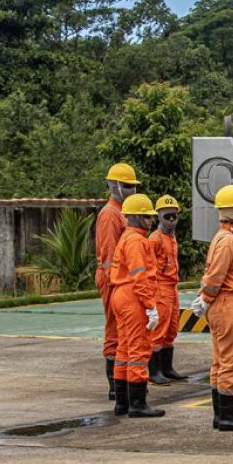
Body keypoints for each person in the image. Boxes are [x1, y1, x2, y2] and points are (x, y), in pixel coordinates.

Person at [190, 184, 233, 431]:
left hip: (227, 304)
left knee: (221, 361)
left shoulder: (227, 238)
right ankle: (228, 417)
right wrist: (206, 297)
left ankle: (221, 416)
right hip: (230, 305)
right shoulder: (228, 241)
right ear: (232, 212)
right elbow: (216, 275)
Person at [109, 193, 164, 418]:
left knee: (124, 349)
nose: (151, 220)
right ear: (135, 217)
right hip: (133, 297)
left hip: (122, 295)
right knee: (139, 350)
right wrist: (150, 305)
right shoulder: (136, 241)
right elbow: (140, 277)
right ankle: (138, 403)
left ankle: (122, 402)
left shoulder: (127, 237)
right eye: (147, 217)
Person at [96, 163, 139, 400]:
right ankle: (115, 385)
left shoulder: (123, 212)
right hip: (113, 280)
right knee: (114, 329)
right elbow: (108, 254)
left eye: (132, 186)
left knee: (123, 330)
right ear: (113, 186)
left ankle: (120, 381)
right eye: (126, 185)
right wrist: (115, 284)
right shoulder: (110, 214)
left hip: (122, 279)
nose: (130, 190)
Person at [148, 195, 186, 383]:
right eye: (167, 216)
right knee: (159, 330)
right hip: (160, 288)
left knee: (171, 329)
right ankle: (153, 371)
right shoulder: (155, 239)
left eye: (174, 216)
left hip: (172, 286)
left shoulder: (171, 238)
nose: (171, 220)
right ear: (159, 216)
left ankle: (167, 367)